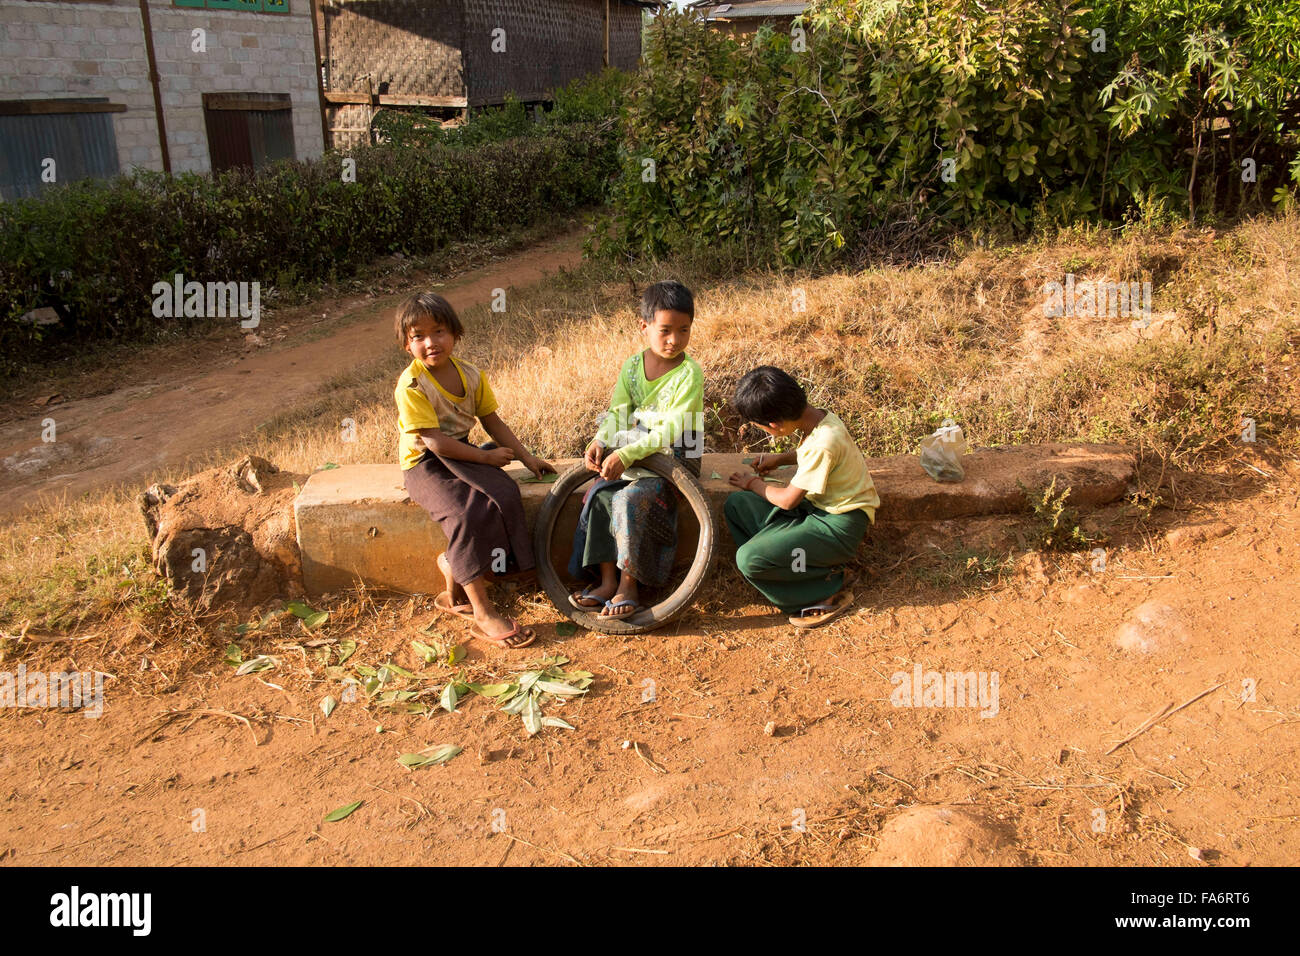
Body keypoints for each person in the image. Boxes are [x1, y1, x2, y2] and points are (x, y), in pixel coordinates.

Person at [394, 292, 555, 648]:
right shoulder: (411, 385)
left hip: (463, 455)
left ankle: (466, 566)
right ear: (407, 346)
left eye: (438, 331)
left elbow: (491, 420)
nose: (430, 342)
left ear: (455, 334)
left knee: (502, 495)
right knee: (462, 514)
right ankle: (482, 611)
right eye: (418, 336)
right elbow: (434, 443)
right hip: (424, 465)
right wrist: (484, 458)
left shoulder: (471, 375)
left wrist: (526, 458)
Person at [568, 281, 704, 620]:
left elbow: (672, 429)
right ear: (643, 327)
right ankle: (606, 581)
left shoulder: (690, 373)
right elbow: (618, 413)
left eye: (683, 330)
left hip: (674, 457)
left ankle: (630, 585)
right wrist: (600, 441)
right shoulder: (632, 367)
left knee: (628, 500)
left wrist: (626, 454)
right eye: (665, 330)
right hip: (634, 449)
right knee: (600, 494)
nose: (674, 339)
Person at [724, 366, 880, 628]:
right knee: (736, 506)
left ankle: (823, 588)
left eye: (761, 427)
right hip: (817, 512)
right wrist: (781, 459)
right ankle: (793, 564)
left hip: (838, 526)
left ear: (774, 424)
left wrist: (753, 484)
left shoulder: (824, 442)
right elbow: (810, 454)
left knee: (748, 560)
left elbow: (787, 500)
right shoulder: (819, 419)